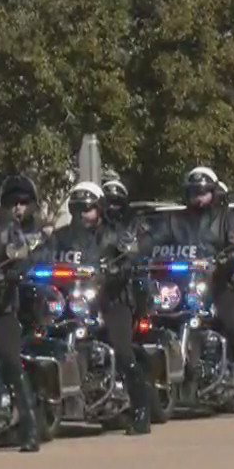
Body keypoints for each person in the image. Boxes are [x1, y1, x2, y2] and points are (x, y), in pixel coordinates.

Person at [145, 165, 234, 418]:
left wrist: (231, 252)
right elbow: (151, 239)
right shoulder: (174, 221)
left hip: (220, 286)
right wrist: (136, 247)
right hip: (180, 287)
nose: (198, 198)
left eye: (203, 192)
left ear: (214, 192)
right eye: (193, 193)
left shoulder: (227, 219)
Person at [52, 181, 157, 435]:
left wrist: (120, 267)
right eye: (77, 209)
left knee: (122, 349)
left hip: (112, 299)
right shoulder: (61, 237)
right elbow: (42, 256)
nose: (83, 214)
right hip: (72, 300)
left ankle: (142, 412)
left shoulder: (114, 234)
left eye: (88, 208)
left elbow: (133, 254)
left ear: (99, 209)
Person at [0, 174, 51, 453]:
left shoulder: (7, 232)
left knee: (10, 358)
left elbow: (24, 260)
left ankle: (29, 428)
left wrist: (11, 275)